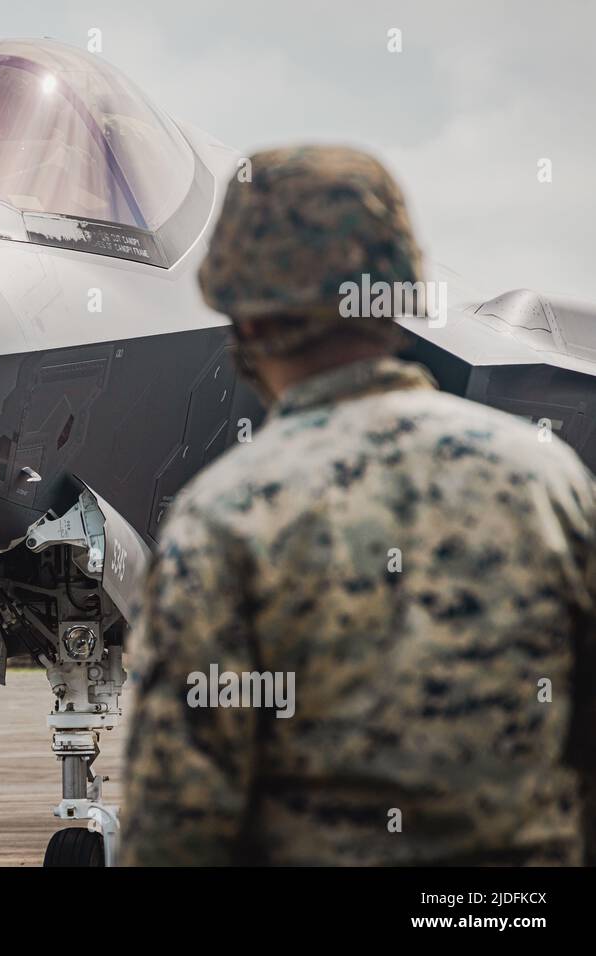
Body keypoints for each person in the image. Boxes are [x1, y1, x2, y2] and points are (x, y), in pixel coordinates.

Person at [121, 145, 595, 865]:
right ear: (401, 298)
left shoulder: (224, 517)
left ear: (245, 321)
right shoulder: (548, 483)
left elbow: (177, 826)